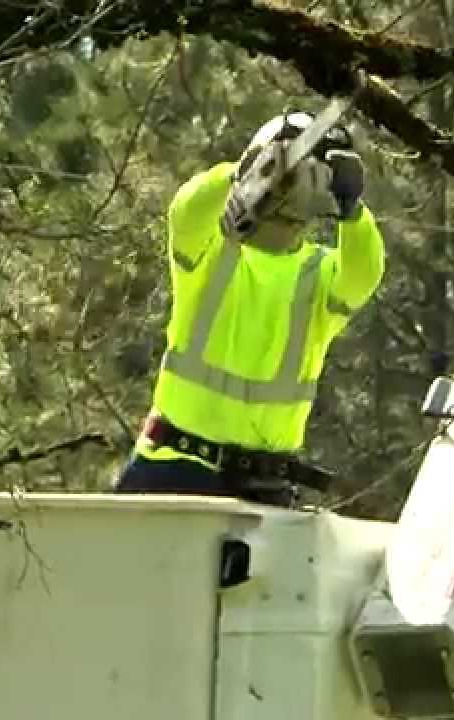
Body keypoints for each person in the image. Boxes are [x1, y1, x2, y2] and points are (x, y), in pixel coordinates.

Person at [114, 110, 385, 507]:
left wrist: (354, 211)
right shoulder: (210, 251)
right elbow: (185, 213)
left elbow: (365, 272)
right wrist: (244, 171)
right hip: (175, 469)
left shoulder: (320, 274)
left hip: (265, 487)